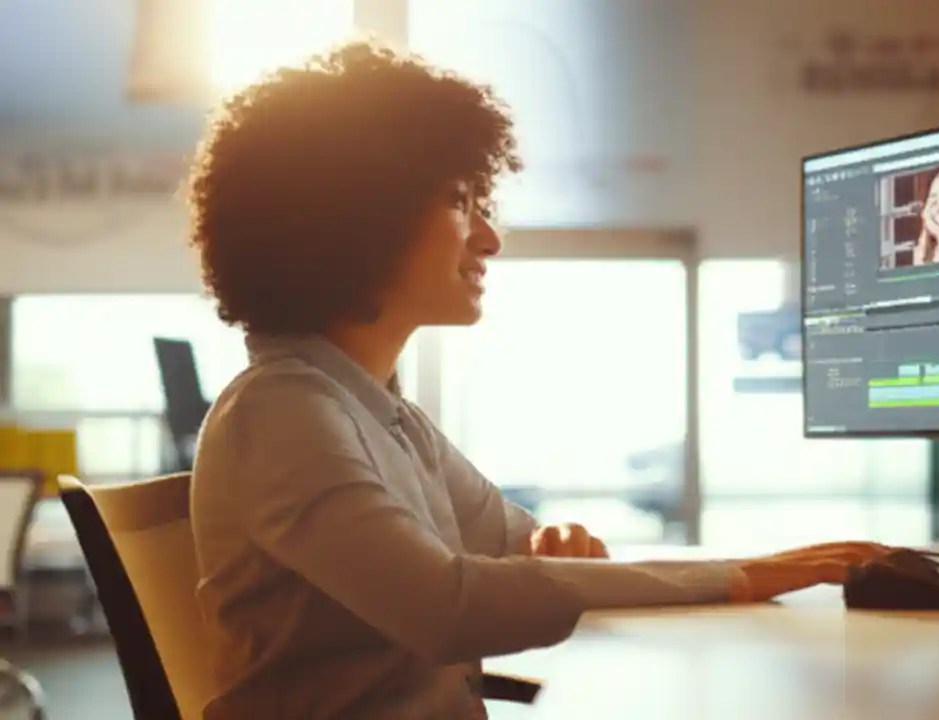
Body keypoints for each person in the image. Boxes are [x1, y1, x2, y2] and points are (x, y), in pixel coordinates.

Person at [186, 40, 888, 719]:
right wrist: (739, 576)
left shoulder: (380, 416)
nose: (489, 237)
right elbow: (446, 606)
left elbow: (513, 543)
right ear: (354, 216)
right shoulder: (281, 412)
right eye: (461, 201)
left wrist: (555, 547)